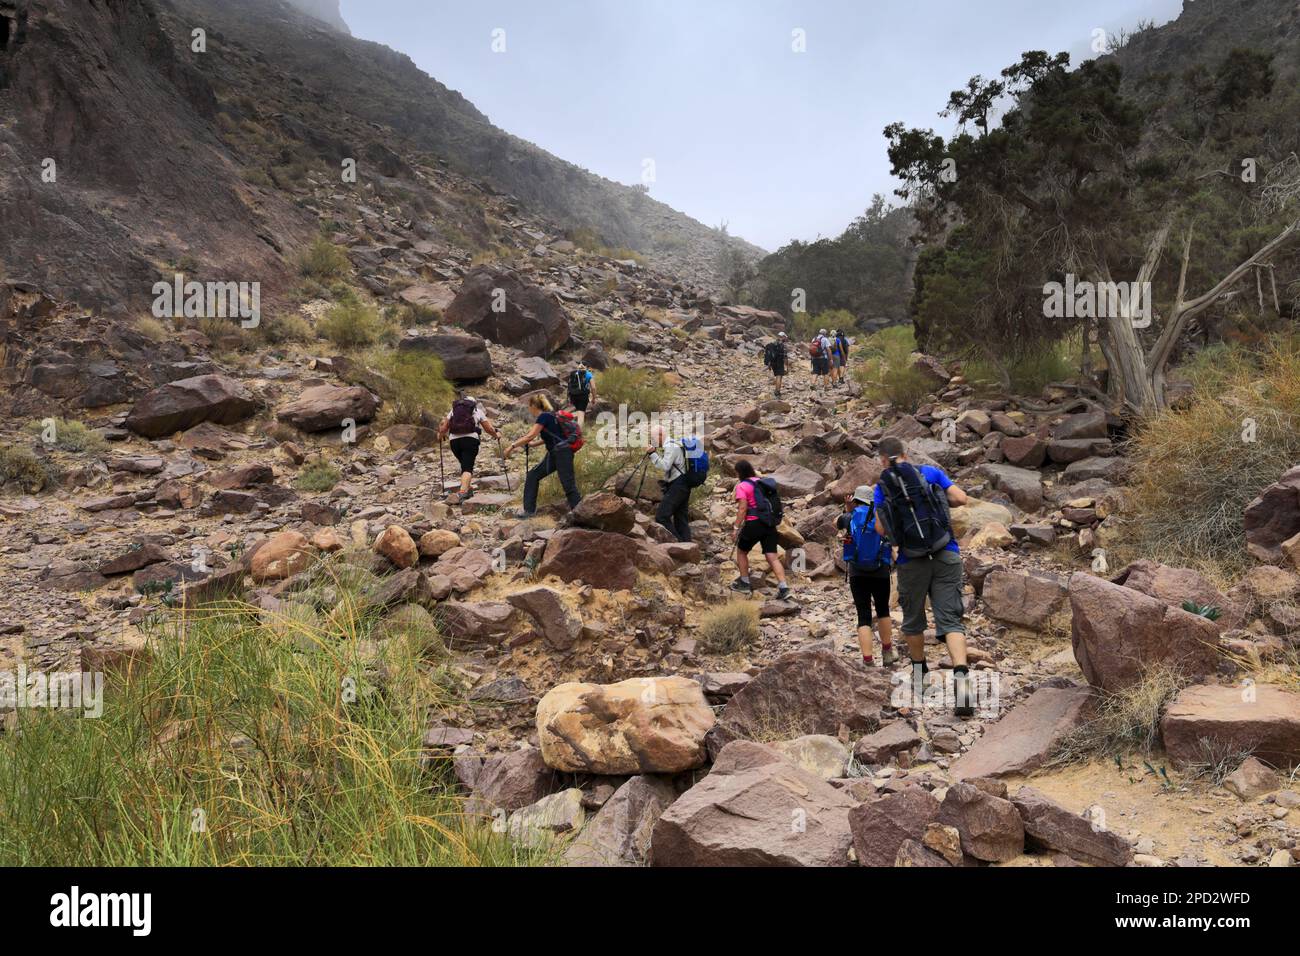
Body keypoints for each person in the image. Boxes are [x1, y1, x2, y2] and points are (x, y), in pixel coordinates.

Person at [872, 436, 974, 716]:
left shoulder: (881, 487)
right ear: (906, 452)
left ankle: (920, 678)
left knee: (914, 620)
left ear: (883, 459)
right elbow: (961, 498)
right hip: (946, 553)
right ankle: (963, 685)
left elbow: (881, 529)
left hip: (910, 560)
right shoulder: (929, 473)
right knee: (951, 620)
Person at [837, 485, 897, 667]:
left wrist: (848, 510)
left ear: (855, 500)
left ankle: (868, 660)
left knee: (863, 615)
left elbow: (836, 524)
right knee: (883, 610)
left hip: (857, 572)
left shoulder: (848, 517)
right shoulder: (881, 517)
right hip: (880, 570)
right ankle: (887, 653)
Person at [503, 394, 582, 518]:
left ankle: (580, 514)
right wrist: (534, 444)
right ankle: (529, 512)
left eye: (529, 406)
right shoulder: (551, 415)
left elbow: (530, 436)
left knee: (568, 485)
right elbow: (554, 436)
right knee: (533, 475)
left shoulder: (543, 416)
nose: (529, 409)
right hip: (556, 453)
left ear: (534, 406)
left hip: (562, 453)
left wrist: (511, 447)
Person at [730, 459, 791, 600]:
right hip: (769, 524)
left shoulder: (743, 486)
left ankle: (744, 583)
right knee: (772, 557)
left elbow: (743, 508)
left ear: (739, 472)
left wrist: (735, 527)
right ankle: (784, 588)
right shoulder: (762, 482)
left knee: (742, 551)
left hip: (753, 523)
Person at [437, 392, 501, 505]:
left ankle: (468, 489)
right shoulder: (477, 411)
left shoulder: (453, 411)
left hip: (454, 442)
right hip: (470, 440)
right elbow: (488, 429)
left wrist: (440, 435)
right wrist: (496, 435)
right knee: (468, 468)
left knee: (465, 465)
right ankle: (462, 492)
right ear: (473, 404)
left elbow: (444, 427)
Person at [648, 424, 691, 542]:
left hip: (678, 485)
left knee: (661, 516)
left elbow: (665, 466)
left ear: (661, 435)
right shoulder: (674, 444)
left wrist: (652, 454)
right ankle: (688, 548)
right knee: (680, 518)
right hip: (683, 484)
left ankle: (678, 543)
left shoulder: (670, 446)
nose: (653, 440)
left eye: (653, 437)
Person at [763, 332, 788, 398]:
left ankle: (776, 391)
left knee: (777, 376)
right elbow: (785, 357)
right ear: (782, 337)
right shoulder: (782, 345)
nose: (785, 339)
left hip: (773, 363)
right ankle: (777, 392)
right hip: (779, 362)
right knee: (779, 377)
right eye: (785, 337)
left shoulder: (773, 343)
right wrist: (786, 366)